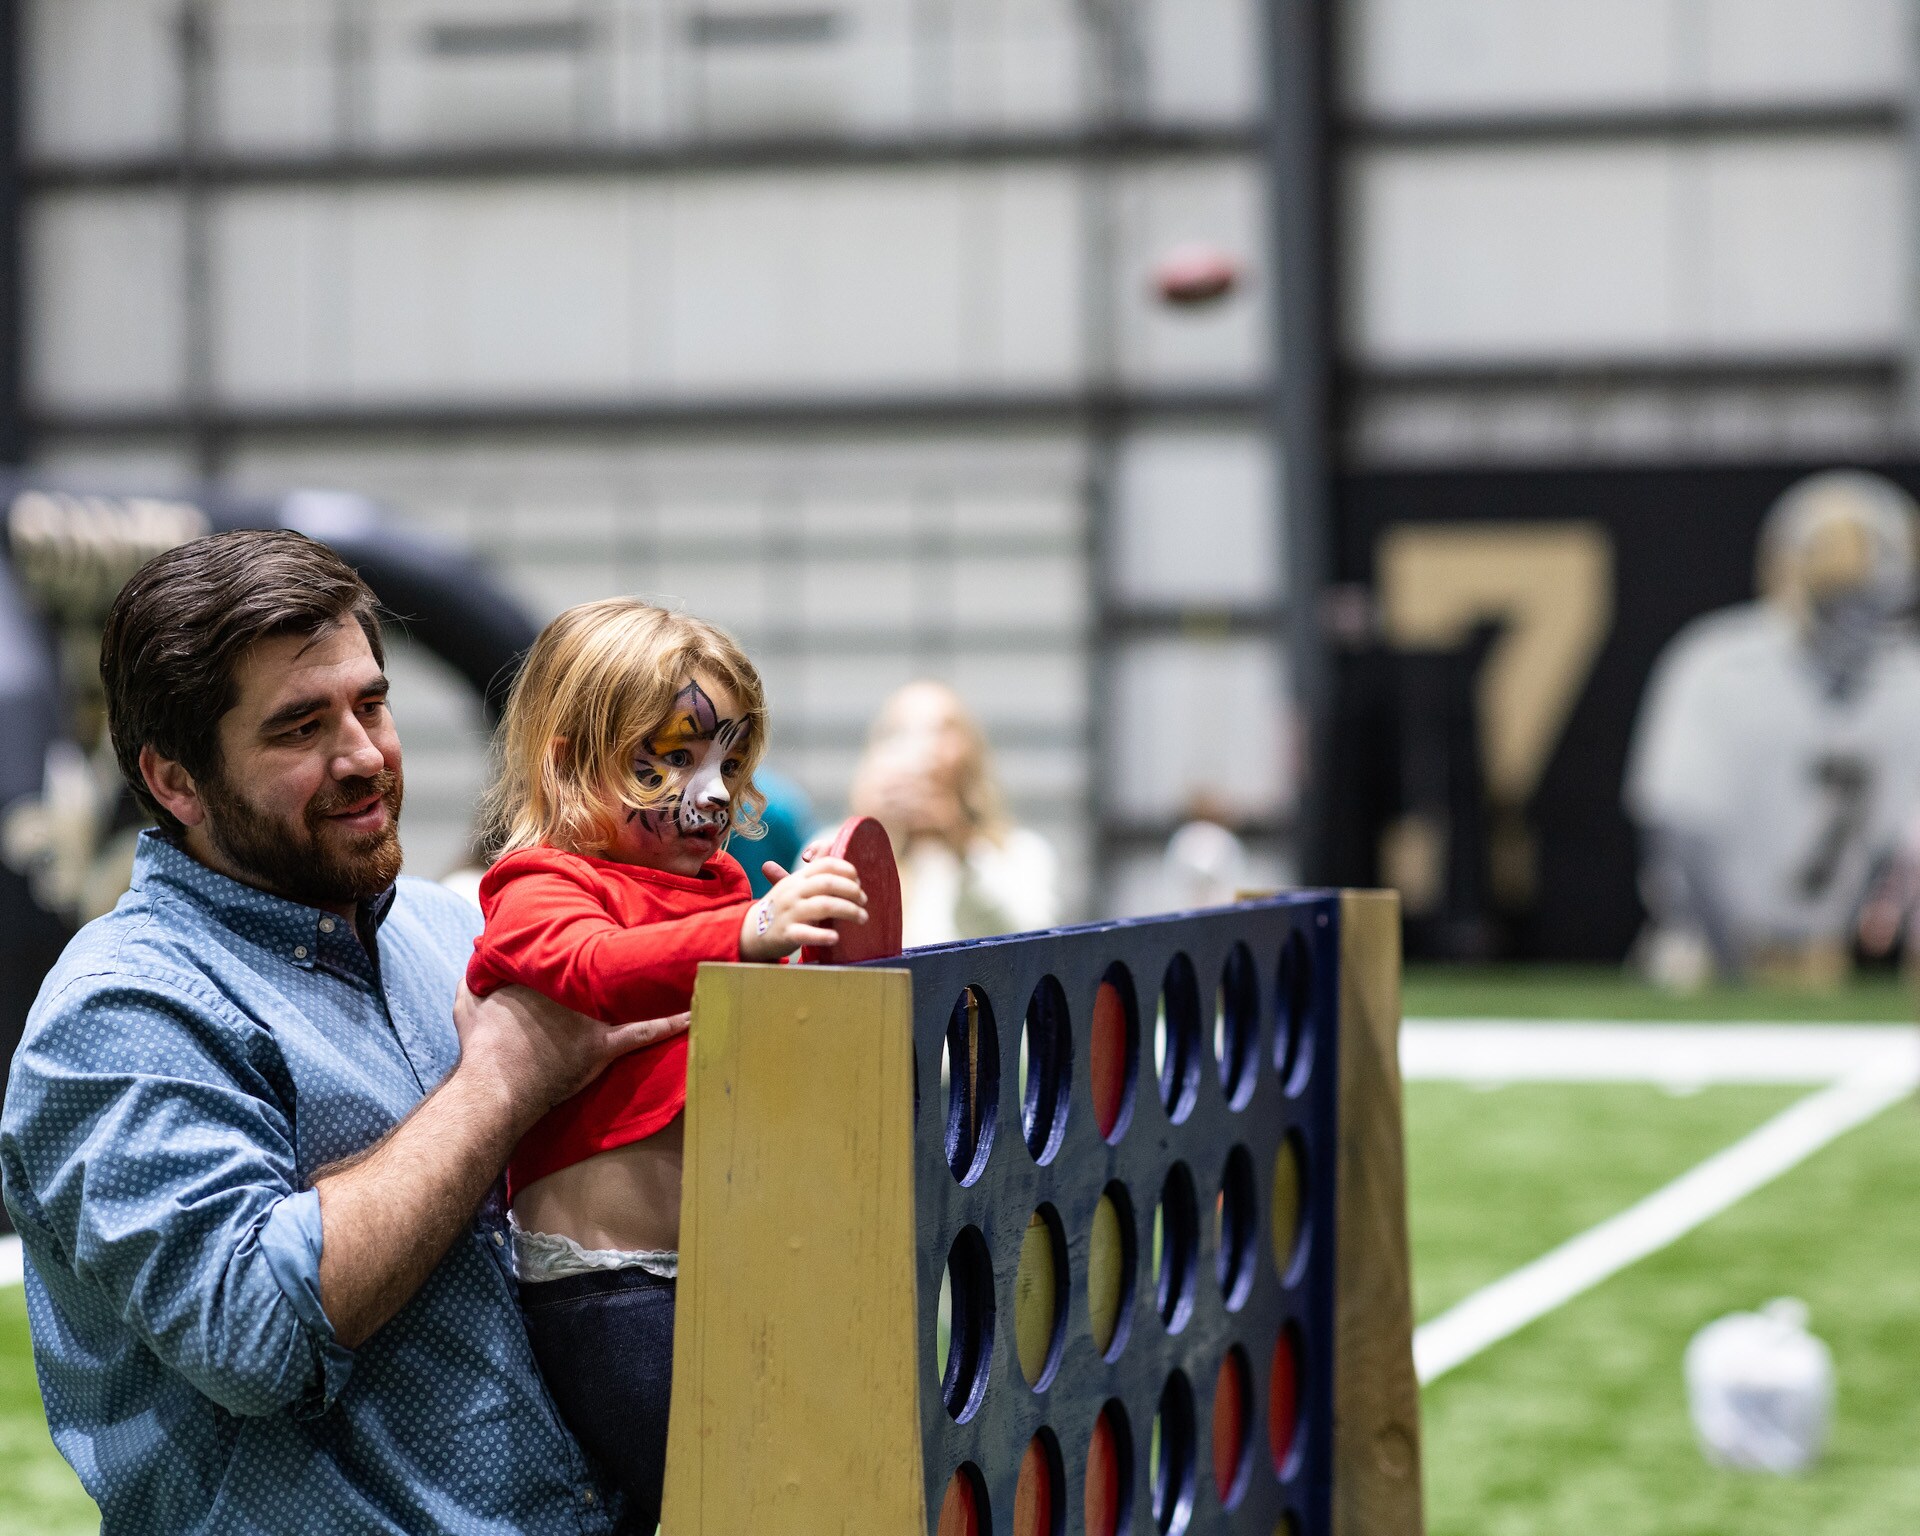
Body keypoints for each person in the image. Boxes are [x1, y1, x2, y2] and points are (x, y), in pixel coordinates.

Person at [0, 530, 682, 1534]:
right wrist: (500, 1084)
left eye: (371, 704)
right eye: (298, 728)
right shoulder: (120, 1013)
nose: (363, 756)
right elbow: (253, 1334)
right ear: (176, 780)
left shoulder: (451, 933)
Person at [465, 598, 868, 1532]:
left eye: (732, 760)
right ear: (565, 761)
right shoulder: (543, 882)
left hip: (722, 1268)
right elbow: (593, 970)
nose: (717, 792)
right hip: (607, 1291)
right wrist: (747, 931)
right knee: (720, 1506)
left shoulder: (719, 889)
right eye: (676, 757)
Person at [1625, 470, 1920, 987]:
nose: (1859, 620)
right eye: (1843, 599)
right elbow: (1679, 832)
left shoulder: (1907, 681)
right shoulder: (1721, 665)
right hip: (1705, 952)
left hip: (1831, 963)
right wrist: (1737, 958)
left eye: (1872, 600)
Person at [847, 680, 1057, 945]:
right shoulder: (831, 849)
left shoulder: (1019, 854)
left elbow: (1032, 949)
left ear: (971, 752)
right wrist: (860, 844)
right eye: (901, 731)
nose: (923, 747)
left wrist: (962, 851)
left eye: (941, 730)